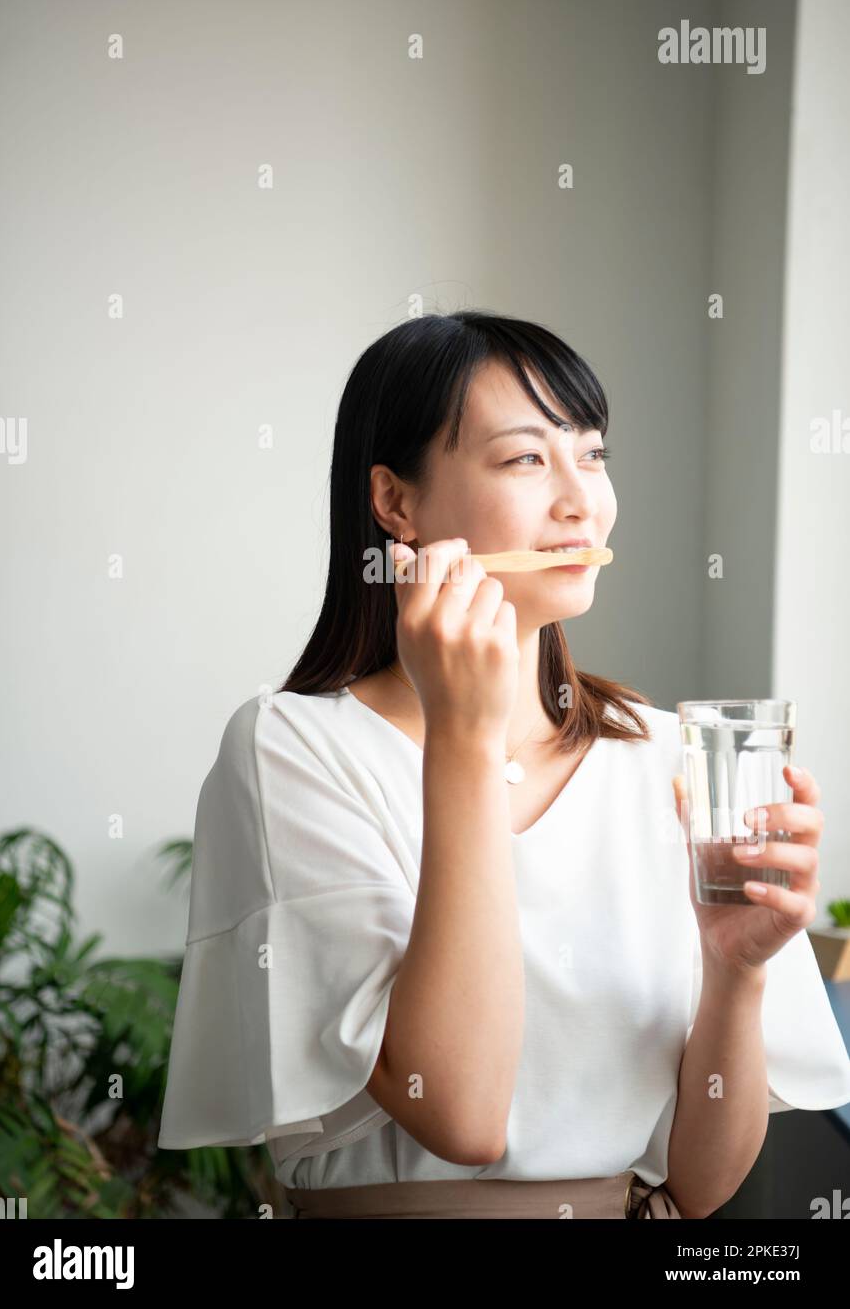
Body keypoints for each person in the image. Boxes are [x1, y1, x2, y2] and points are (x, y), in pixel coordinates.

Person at [157, 310, 850, 1220]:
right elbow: (459, 1113)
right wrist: (465, 737)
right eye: (527, 459)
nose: (580, 502)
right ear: (395, 503)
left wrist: (735, 971)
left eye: (592, 455)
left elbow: (701, 1187)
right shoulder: (291, 747)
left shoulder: (662, 755)